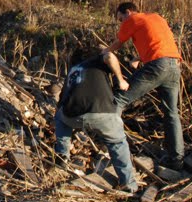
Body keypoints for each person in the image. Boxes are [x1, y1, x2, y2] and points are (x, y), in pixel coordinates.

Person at [101, 2, 185, 171]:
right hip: (174, 65)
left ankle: (110, 148)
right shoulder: (156, 17)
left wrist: (104, 52)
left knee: (119, 99)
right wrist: (139, 58)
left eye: (120, 18)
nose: (121, 22)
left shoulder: (132, 19)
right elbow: (158, 42)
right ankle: (176, 160)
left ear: (128, 12)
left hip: (157, 66)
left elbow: (118, 43)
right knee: (171, 113)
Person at [53, 55, 138, 194]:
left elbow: (60, 103)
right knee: (117, 142)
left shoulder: (72, 71)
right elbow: (110, 56)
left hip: (73, 115)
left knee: (60, 118)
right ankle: (128, 184)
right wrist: (121, 80)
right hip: (102, 113)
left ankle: (62, 155)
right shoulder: (96, 60)